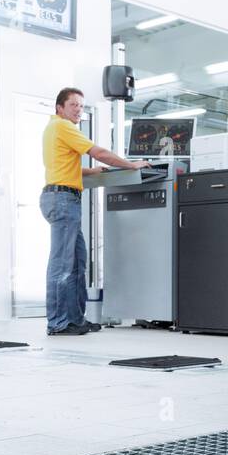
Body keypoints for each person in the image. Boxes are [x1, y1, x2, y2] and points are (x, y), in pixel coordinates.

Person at [41, 87, 145, 336]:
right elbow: (97, 152)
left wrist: (91, 172)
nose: (78, 110)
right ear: (60, 108)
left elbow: (62, 165)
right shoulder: (63, 127)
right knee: (63, 265)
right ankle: (58, 323)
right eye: (73, 105)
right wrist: (131, 164)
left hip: (62, 197)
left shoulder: (53, 129)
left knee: (77, 262)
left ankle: (75, 320)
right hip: (63, 199)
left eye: (80, 105)